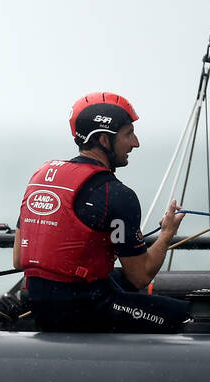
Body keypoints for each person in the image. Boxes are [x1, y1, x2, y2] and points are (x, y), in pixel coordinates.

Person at [13, 92, 191, 332]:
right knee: (192, 317)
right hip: (85, 310)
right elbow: (141, 276)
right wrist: (167, 233)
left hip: (39, 304)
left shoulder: (41, 177)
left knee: (118, 279)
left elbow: (18, 259)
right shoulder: (116, 194)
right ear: (104, 140)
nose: (135, 143)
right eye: (128, 134)